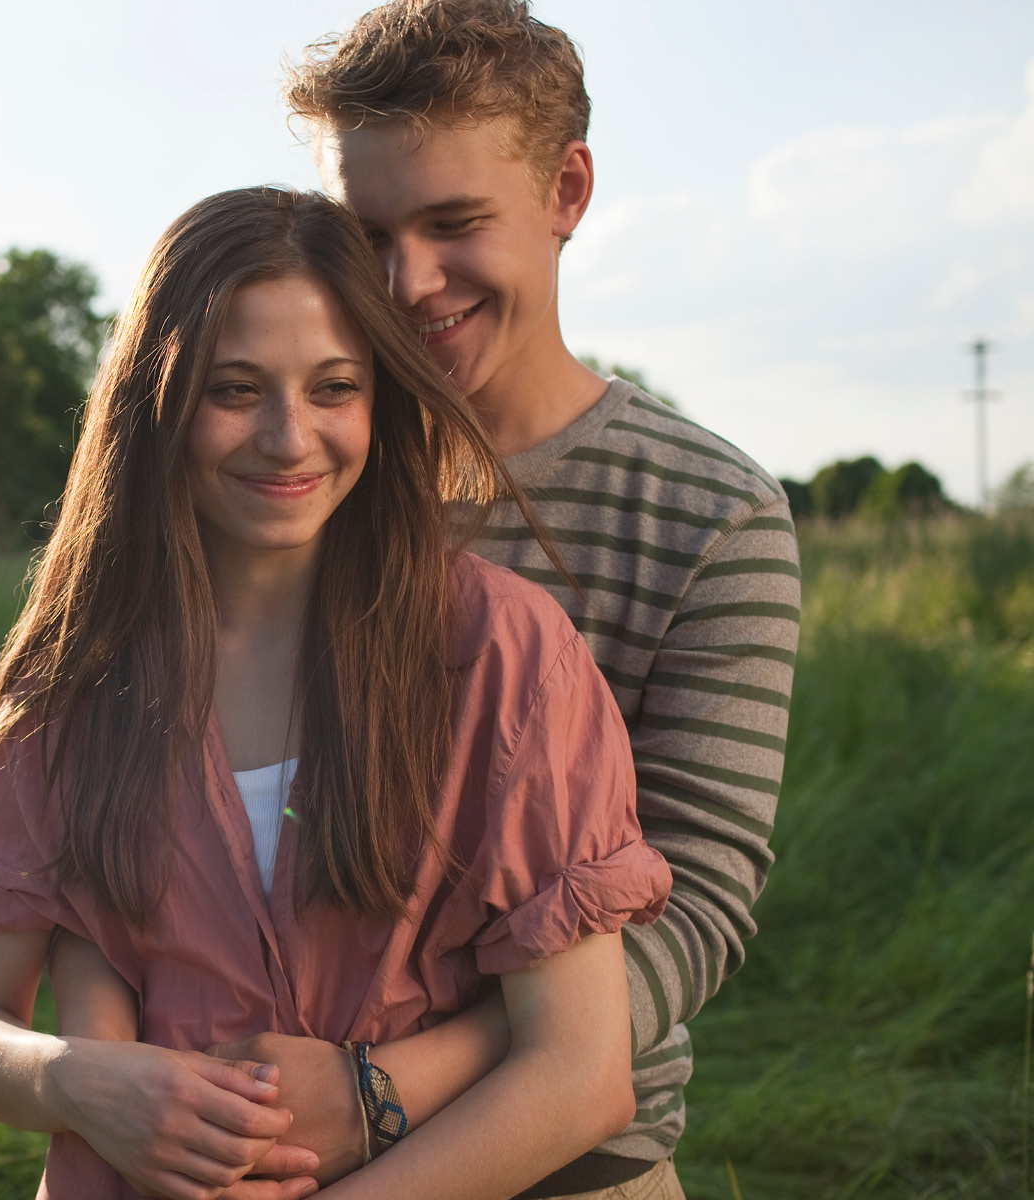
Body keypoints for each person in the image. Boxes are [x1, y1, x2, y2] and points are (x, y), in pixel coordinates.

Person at [0, 185, 671, 1200]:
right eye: (235, 390)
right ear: (157, 402)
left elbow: (581, 1079)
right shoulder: (69, 685)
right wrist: (70, 1079)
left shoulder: (498, 650)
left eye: (334, 387)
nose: (289, 438)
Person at [186, 4, 804, 1197]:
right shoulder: (295, 467)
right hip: (254, 1148)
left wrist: (383, 1084)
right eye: (366, 232)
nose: (408, 283)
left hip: (571, 1159)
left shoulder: (711, 512)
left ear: (565, 190)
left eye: (455, 223)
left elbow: (698, 898)